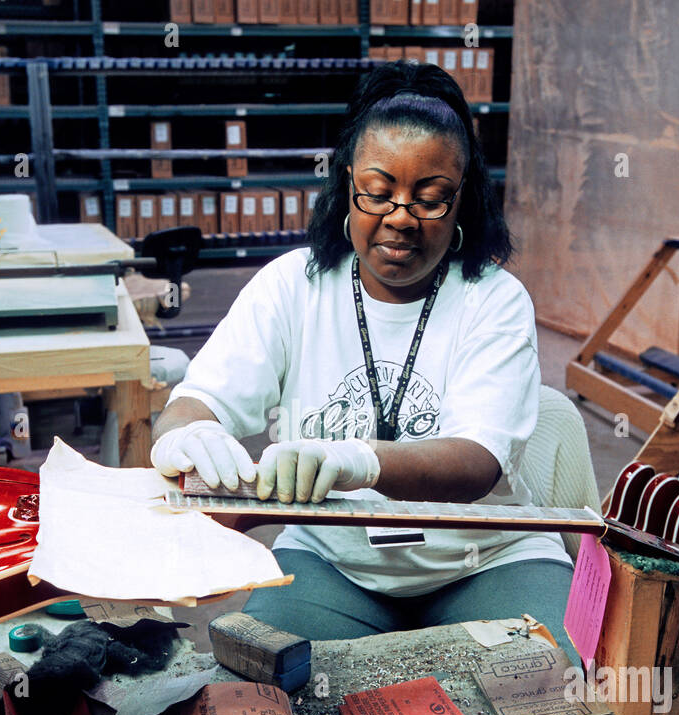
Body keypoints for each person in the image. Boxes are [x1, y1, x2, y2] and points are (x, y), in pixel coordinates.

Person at [151, 61, 580, 664]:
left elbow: (477, 461)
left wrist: (355, 459)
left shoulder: (493, 299)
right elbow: (198, 402)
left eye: (430, 200)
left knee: (550, 693)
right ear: (347, 185)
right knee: (257, 690)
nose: (399, 217)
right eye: (377, 192)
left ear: (462, 203)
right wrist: (186, 433)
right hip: (334, 560)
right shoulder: (292, 287)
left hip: (485, 561)